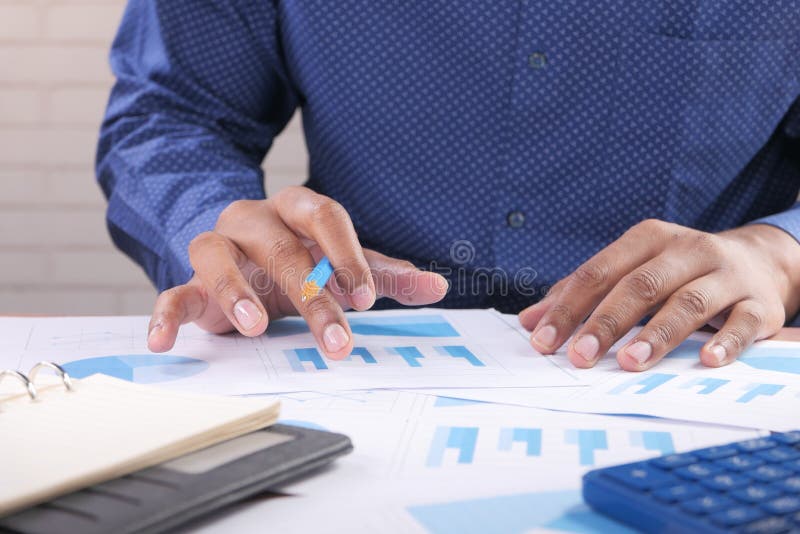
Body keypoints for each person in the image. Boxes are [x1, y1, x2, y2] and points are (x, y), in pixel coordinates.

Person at [97, 1, 800, 372]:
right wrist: (228, 234)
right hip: (347, 351)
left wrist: (781, 254)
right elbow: (171, 114)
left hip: (688, 369)